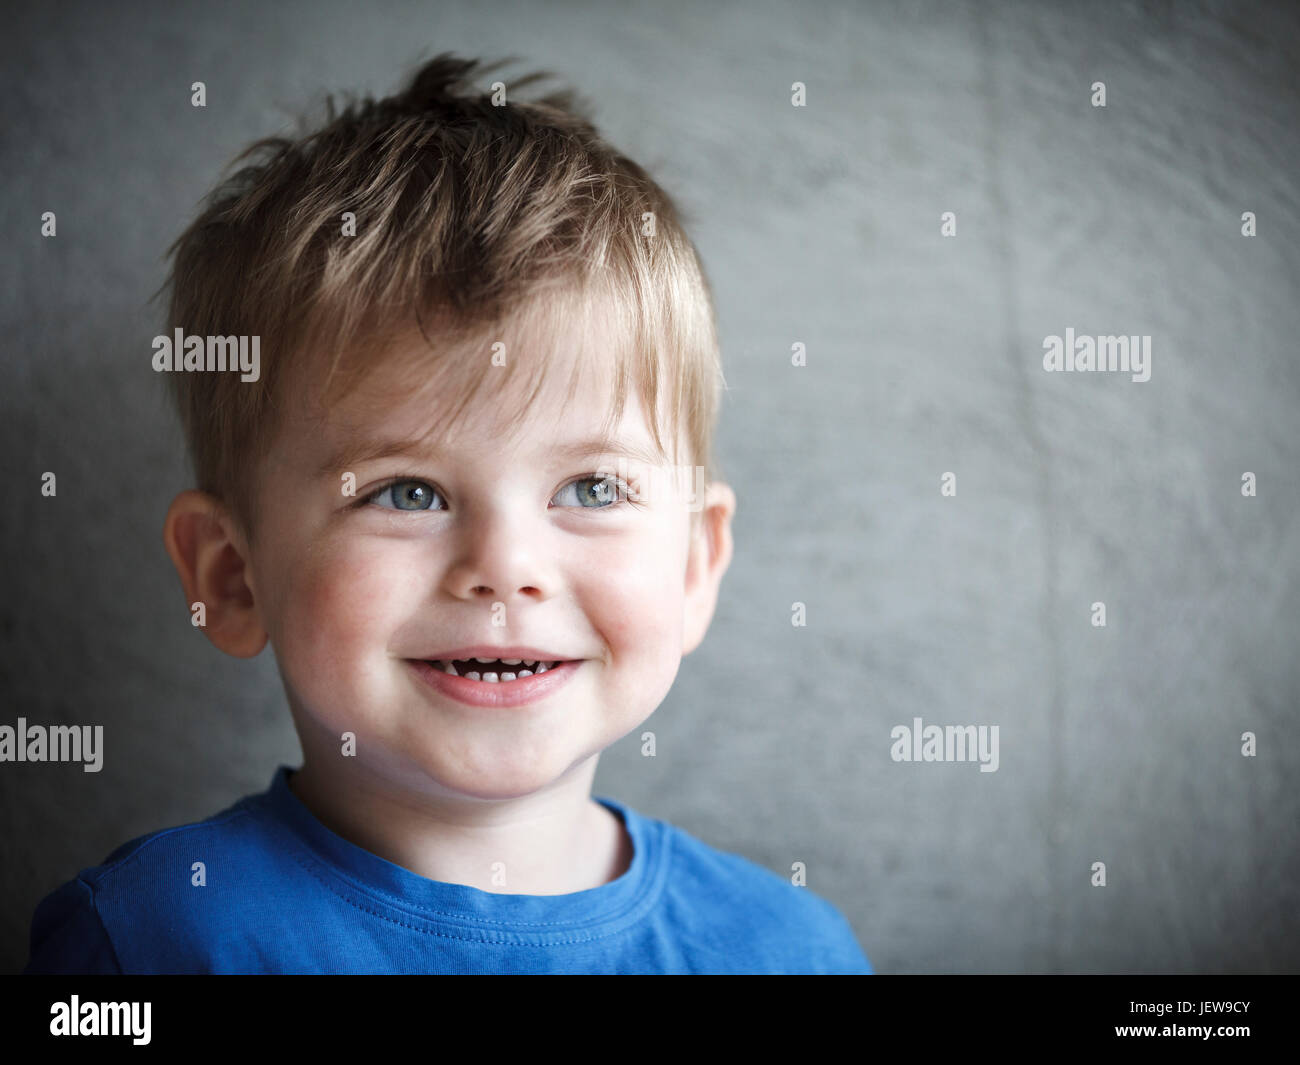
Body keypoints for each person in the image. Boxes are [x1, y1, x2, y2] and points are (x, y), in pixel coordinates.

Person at [23, 53, 872, 974]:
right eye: (406, 492)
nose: (505, 566)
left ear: (694, 566)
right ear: (232, 576)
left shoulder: (788, 948)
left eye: (590, 488)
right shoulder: (151, 940)